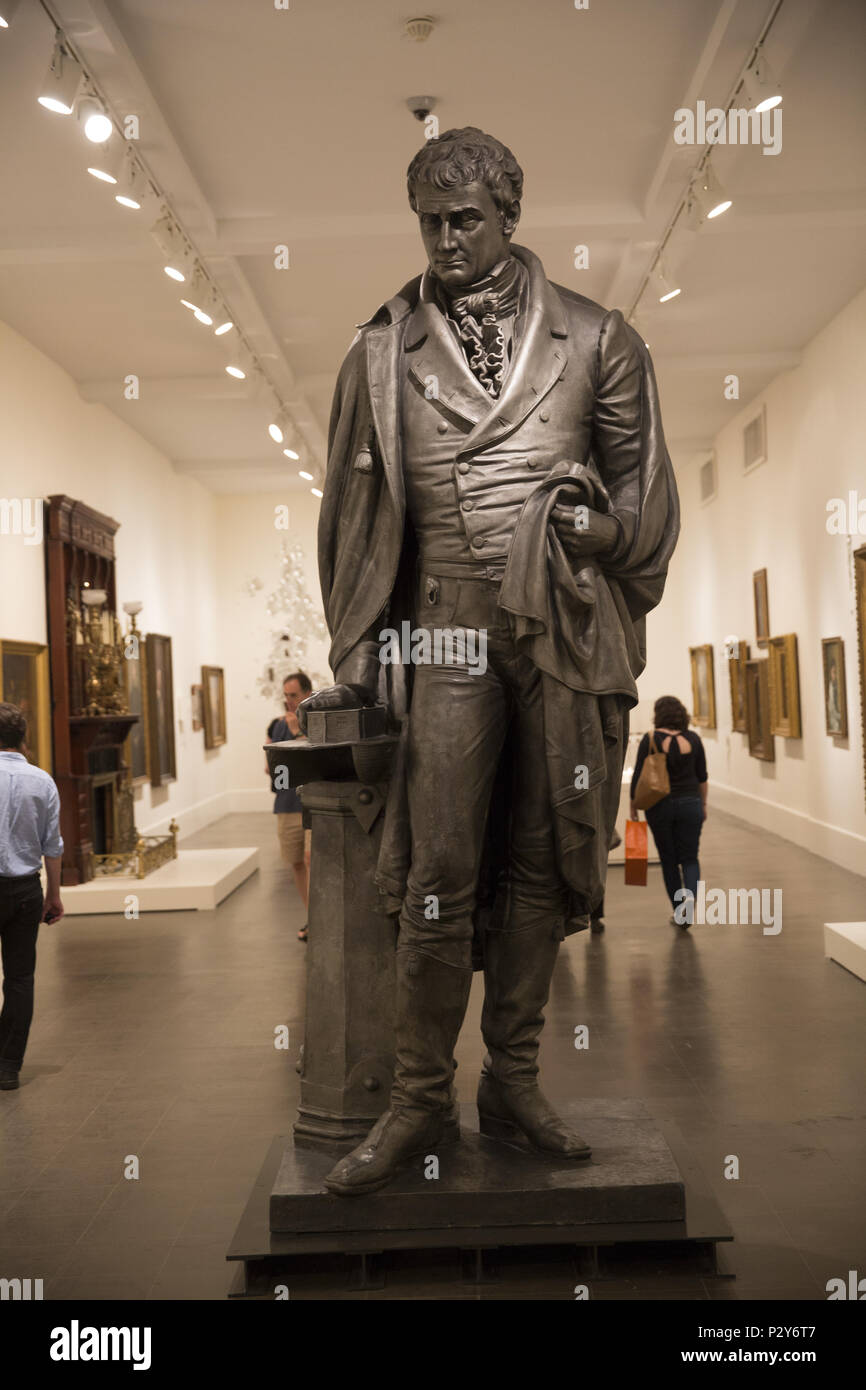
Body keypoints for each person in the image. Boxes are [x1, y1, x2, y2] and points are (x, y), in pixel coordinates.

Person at [300, 127, 679, 1195]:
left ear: (510, 216)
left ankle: (513, 1081)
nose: (444, 239)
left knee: (541, 858)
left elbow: (643, 491)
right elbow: (353, 514)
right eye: (428, 221)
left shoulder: (597, 338)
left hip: (558, 626)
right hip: (445, 630)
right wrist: (359, 652)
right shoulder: (381, 351)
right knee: (436, 868)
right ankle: (418, 1097)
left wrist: (602, 532)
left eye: (464, 219)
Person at [0, 702, 64, 1091]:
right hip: (25, 890)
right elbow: (52, 845)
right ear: (23, 737)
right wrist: (53, 895)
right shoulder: (42, 781)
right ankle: (8, 1067)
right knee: (20, 978)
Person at [630, 696, 707, 928]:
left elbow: (639, 775)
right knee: (690, 858)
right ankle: (690, 906)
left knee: (669, 860)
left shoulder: (651, 738)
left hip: (659, 806)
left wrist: (633, 805)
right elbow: (702, 777)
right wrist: (703, 805)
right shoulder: (693, 739)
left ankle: (680, 913)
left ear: (658, 715)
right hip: (690, 804)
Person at [266, 672, 312, 941]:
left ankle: (324, 917)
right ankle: (312, 917)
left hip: (313, 803)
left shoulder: (318, 721)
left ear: (307, 693)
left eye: (293, 695)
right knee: (296, 862)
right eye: (285, 695)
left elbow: (317, 758)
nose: (289, 700)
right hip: (286, 802)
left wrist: (298, 732)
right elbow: (272, 767)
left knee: (311, 859)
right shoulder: (277, 725)